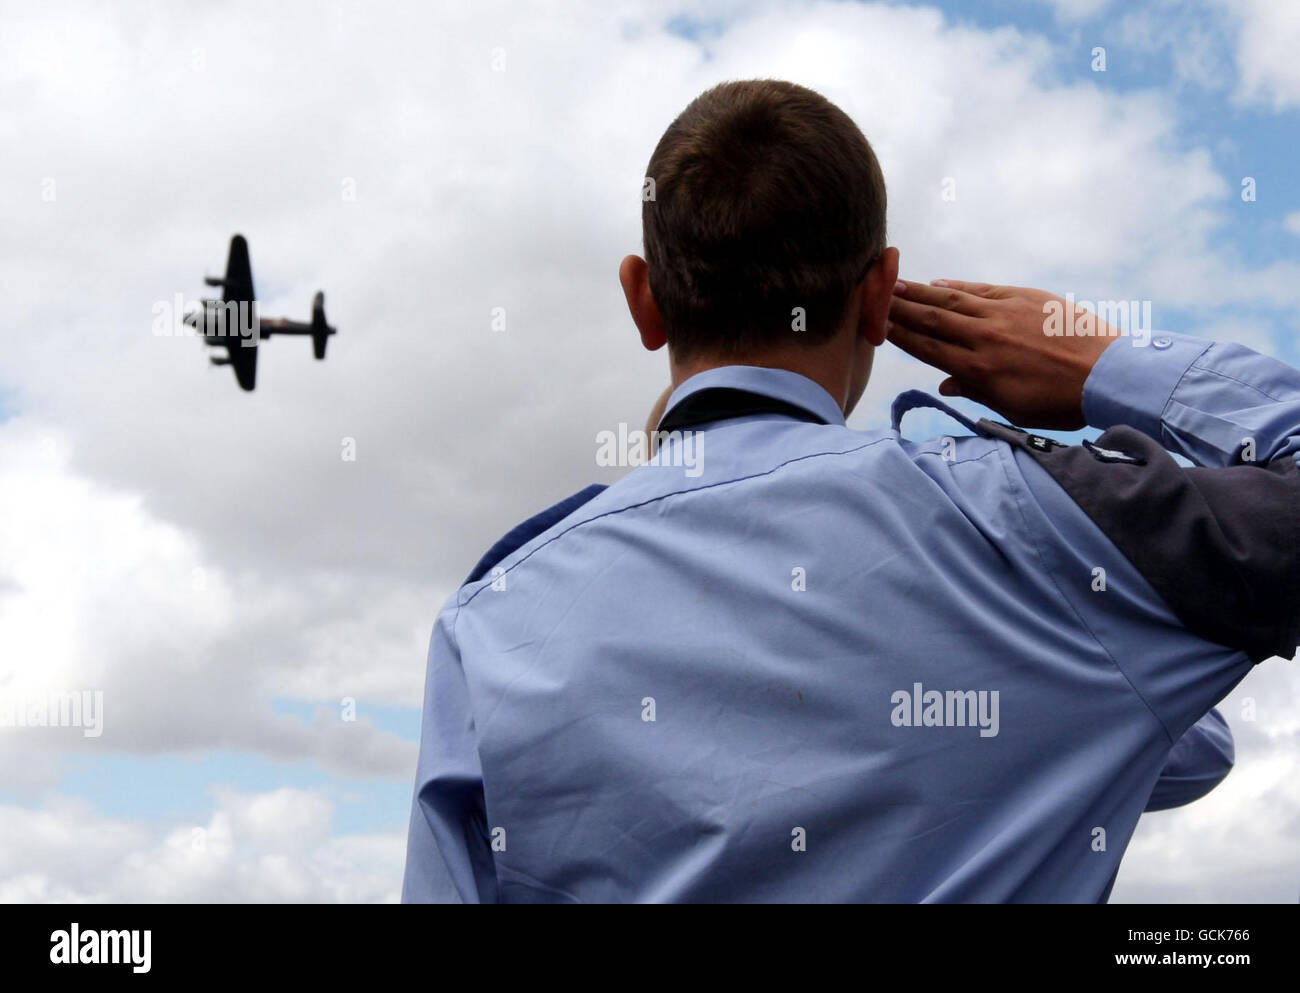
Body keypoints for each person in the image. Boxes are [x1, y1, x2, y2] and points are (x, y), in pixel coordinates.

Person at [402, 79, 1296, 903]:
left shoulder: (487, 626)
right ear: (878, 297)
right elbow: (1176, 747)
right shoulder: (1035, 532)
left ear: (644, 300)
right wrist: (1105, 363)